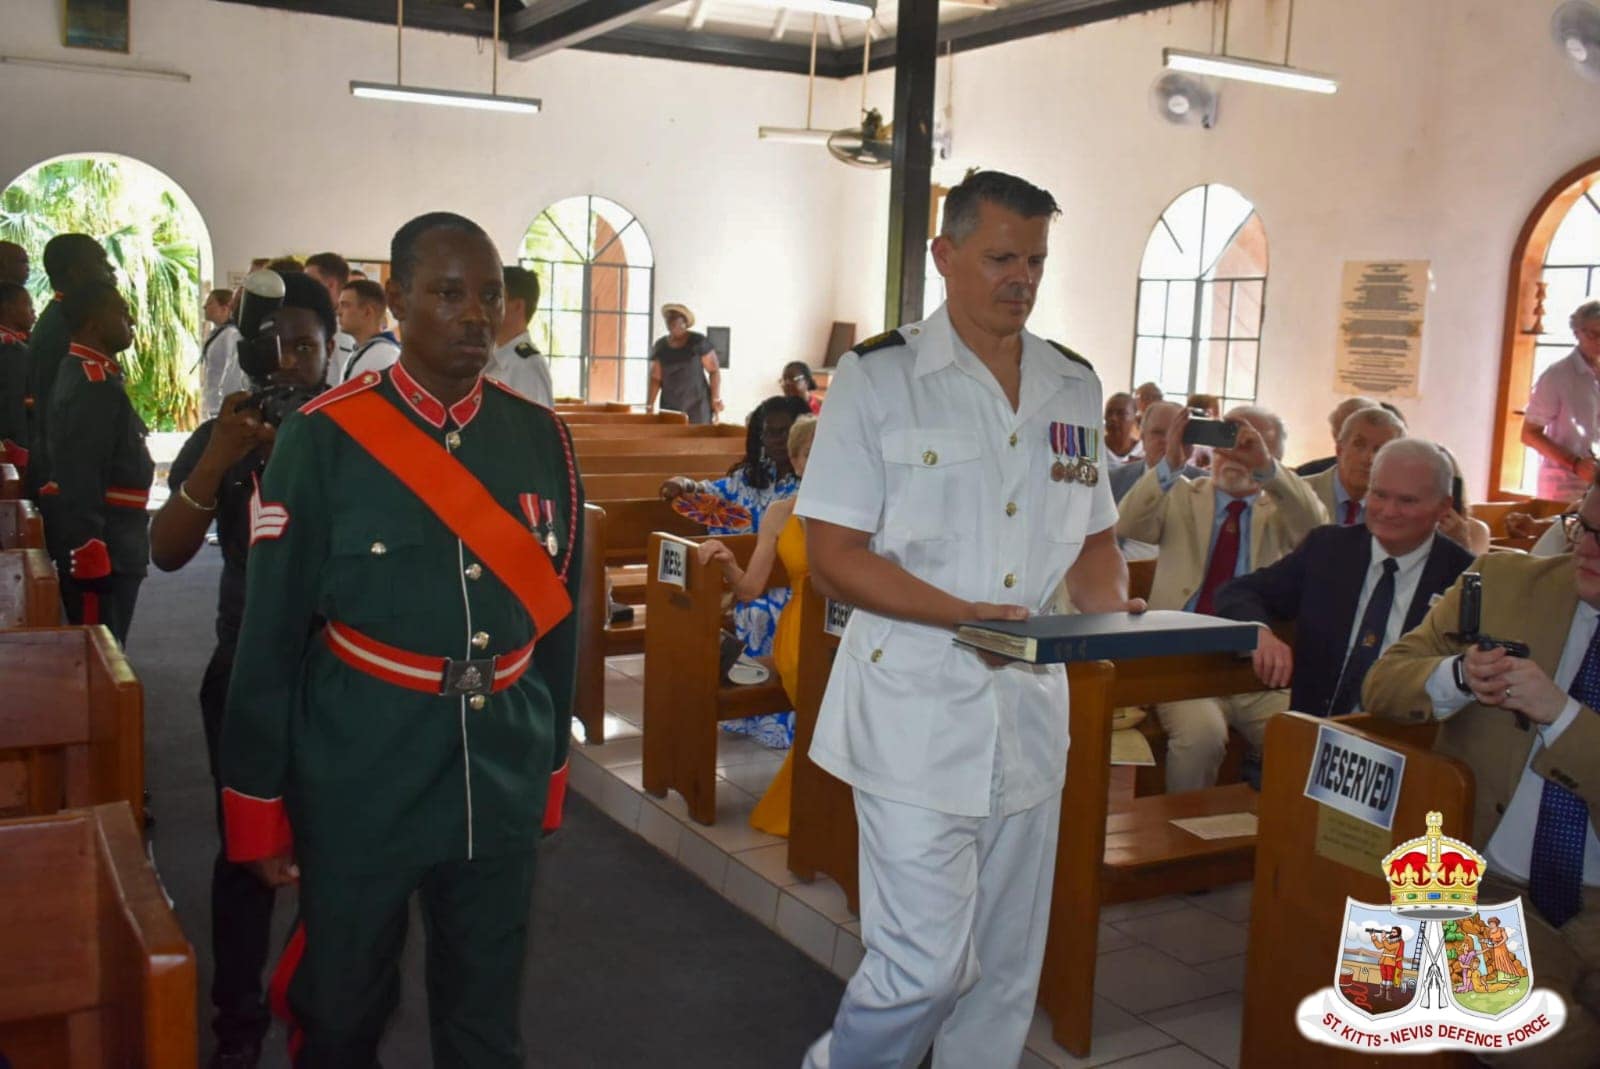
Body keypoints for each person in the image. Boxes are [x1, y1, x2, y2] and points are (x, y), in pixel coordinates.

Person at [219, 212, 582, 1066]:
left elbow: (560, 618)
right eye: (449, 293)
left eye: (489, 296)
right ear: (399, 301)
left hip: (499, 765)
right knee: (341, 1007)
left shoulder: (541, 438)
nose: (474, 315)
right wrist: (257, 804)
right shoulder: (327, 435)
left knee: (485, 1021)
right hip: (362, 766)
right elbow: (268, 637)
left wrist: (551, 769)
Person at [796, 170, 1139, 1069]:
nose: (1020, 277)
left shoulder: (1072, 383)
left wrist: (1120, 610)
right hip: (915, 711)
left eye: (1035, 259)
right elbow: (833, 555)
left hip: (1029, 720)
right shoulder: (881, 378)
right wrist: (966, 616)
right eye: (999, 257)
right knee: (923, 966)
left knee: (1001, 981)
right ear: (944, 256)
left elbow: (1096, 540)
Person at [150, 270, 335, 1069]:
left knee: (338, 855)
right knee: (242, 859)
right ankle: (237, 1024)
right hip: (246, 679)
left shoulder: (353, 430)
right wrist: (224, 453)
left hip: (341, 682)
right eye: (275, 345)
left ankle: (329, 1007)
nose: (290, 360)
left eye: (306, 344)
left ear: (333, 351)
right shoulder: (227, 430)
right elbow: (165, 551)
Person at [1364, 482, 1600, 1067]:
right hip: (1482, 893)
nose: (1588, 550)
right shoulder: (1503, 584)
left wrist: (1561, 715)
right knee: (1538, 1042)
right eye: (1584, 527)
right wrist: (1458, 678)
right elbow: (1382, 684)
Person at [1117, 404, 1326, 792]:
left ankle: (1283, 838)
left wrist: (1265, 468)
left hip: (1254, 670)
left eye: (1249, 444)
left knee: (1304, 737)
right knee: (1202, 736)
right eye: (1227, 442)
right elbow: (1128, 523)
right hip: (1183, 663)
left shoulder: (1280, 510)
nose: (1235, 456)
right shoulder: (1182, 494)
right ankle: (1178, 839)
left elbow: (1317, 529)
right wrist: (1169, 464)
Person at [1215, 439, 1474, 719]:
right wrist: (1259, 633)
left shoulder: (1464, 577)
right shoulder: (1329, 549)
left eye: (1406, 500)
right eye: (1379, 495)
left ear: (1443, 506)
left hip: (1409, 742)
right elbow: (1239, 591)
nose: (1388, 511)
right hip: (1313, 729)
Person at [662, 394, 810, 747]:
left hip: (798, 585)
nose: (773, 440)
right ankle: (756, 710)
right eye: (767, 432)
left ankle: (783, 712)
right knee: (755, 608)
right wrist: (683, 483)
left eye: (782, 432)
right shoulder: (750, 478)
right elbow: (708, 494)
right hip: (760, 580)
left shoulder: (821, 492)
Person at [696, 414, 818, 835]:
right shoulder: (779, 514)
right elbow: (749, 590)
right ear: (797, 462)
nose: (819, 460)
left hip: (844, 629)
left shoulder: (858, 513)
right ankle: (810, 814)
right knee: (822, 712)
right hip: (801, 633)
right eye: (808, 453)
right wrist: (729, 562)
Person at [41, 281, 153, 646]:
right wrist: (89, 542)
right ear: (93, 323)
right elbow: (80, 469)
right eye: (121, 313)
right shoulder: (91, 381)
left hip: (118, 529)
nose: (131, 320)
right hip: (110, 533)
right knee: (100, 650)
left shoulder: (93, 373)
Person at [24, 233, 114, 497]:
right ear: (77, 272)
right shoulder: (64, 327)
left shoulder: (65, 319)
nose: (110, 271)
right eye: (102, 262)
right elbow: (66, 414)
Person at [1523, 300, 1600, 501]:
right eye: (1594, 334)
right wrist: (1575, 463)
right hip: (1564, 485)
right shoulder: (1557, 376)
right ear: (1577, 333)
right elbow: (1530, 434)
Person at [1304, 405, 1405, 525]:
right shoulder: (1300, 494)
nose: (1368, 459)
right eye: (1359, 445)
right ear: (1339, 449)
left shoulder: (1400, 510)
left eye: (1380, 450)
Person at [486, 265, 552, 407]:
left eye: (495, 298)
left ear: (517, 306)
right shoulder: (493, 358)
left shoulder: (528, 366)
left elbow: (535, 426)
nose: (486, 306)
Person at [647, 302, 721, 423]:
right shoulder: (661, 346)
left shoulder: (698, 342)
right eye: (668, 317)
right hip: (670, 407)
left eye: (675, 317)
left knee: (698, 440)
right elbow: (656, 378)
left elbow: (714, 371)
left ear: (685, 322)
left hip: (698, 406)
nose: (670, 321)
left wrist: (715, 398)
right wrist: (650, 405)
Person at [334, 279, 399, 384]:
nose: (338, 312)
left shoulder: (385, 356)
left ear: (367, 312)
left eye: (345, 305)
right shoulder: (362, 351)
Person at [0, 281, 36, 471]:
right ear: (8, 309)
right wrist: (21, 451)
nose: (34, 311)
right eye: (28, 304)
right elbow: (15, 404)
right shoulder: (11, 349)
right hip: (14, 446)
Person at [1295, 396, 1379, 477]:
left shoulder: (1390, 474)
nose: (1367, 456)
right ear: (1335, 436)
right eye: (1358, 443)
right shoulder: (1308, 473)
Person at [200, 287, 241, 419]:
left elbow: (232, 372)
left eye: (210, 303)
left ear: (225, 308)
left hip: (222, 405)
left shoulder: (231, 334)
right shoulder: (217, 333)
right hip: (213, 404)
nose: (205, 306)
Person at [1103, 390, 1141, 464]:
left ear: (1135, 419)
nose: (1113, 418)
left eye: (1121, 413)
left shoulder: (1144, 452)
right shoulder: (1092, 450)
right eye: (1109, 412)